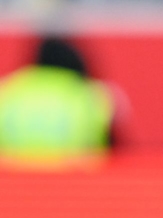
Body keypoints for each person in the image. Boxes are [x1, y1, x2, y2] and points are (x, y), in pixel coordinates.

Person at [0, 36, 113, 167]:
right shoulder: (91, 94)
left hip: (11, 181)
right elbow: (119, 155)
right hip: (75, 180)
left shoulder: (7, 90)